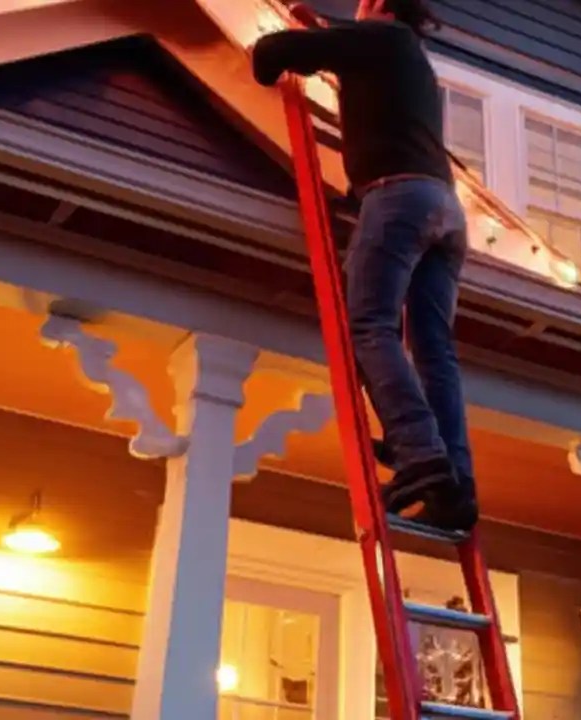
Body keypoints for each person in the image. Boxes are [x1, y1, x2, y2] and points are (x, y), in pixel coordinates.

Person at [251, 0, 478, 531]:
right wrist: (324, 33)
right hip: (444, 209)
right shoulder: (407, 54)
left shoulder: (381, 39)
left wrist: (298, 38)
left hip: (397, 198)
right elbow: (341, 50)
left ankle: (420, 452)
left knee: (370, 324)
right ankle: (455, 485)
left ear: (376, 4)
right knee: (433, 349)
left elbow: (271, 56)